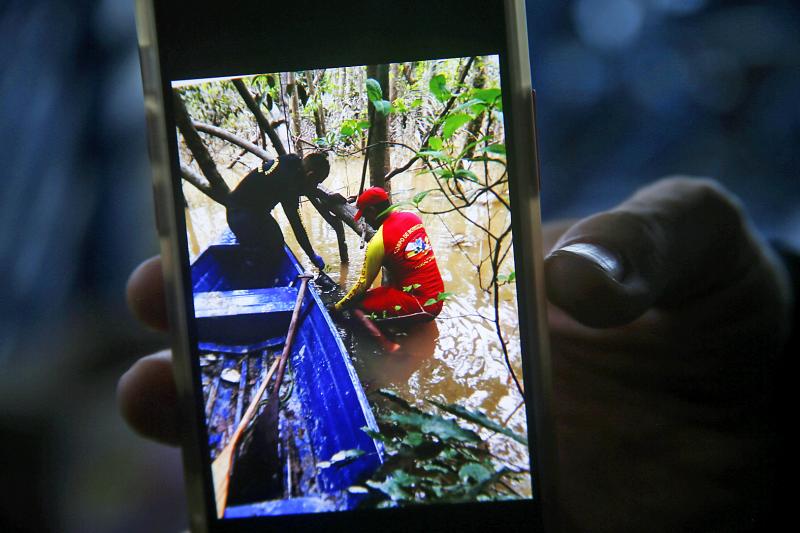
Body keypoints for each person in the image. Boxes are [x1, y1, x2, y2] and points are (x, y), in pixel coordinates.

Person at [118, 177, 796, 531]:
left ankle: (388, 345)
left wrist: (345, 302)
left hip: (408, 307)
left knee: (360, 309)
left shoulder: (381, 237)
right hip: (433, 300)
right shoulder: (406, 222)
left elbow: (361, 284)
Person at [332, 186, 445, 322]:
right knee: (387, 290)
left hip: (421, 306)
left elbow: (361, 286)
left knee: (357, 304)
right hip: (438, 298)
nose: (365, 221)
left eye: (365, 216)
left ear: (372, 211)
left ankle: (388, 343)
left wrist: (338, 307)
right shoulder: (412, 217)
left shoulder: (379, 241)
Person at [225, 151, 329, 268]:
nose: (316, 186)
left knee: (277, 241)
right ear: (310, 175)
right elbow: (296, 224)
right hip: (241, 217)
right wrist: (311, 255)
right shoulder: (288, 182)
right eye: (317, 182)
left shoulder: (292, 161)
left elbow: (304, 187)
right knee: (271, 250)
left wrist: (328, 197)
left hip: (246, 211)